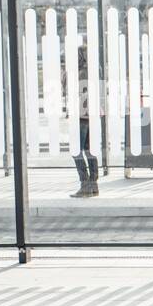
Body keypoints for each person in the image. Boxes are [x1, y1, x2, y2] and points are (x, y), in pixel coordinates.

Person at [70, 43, 99, 198]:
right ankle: (94, 185)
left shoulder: (81, 73)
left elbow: (77, 95)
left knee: (77, 152)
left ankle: (85, 184)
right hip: (91, 116)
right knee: (89, 150)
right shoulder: (94, 71)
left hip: (81, 116)